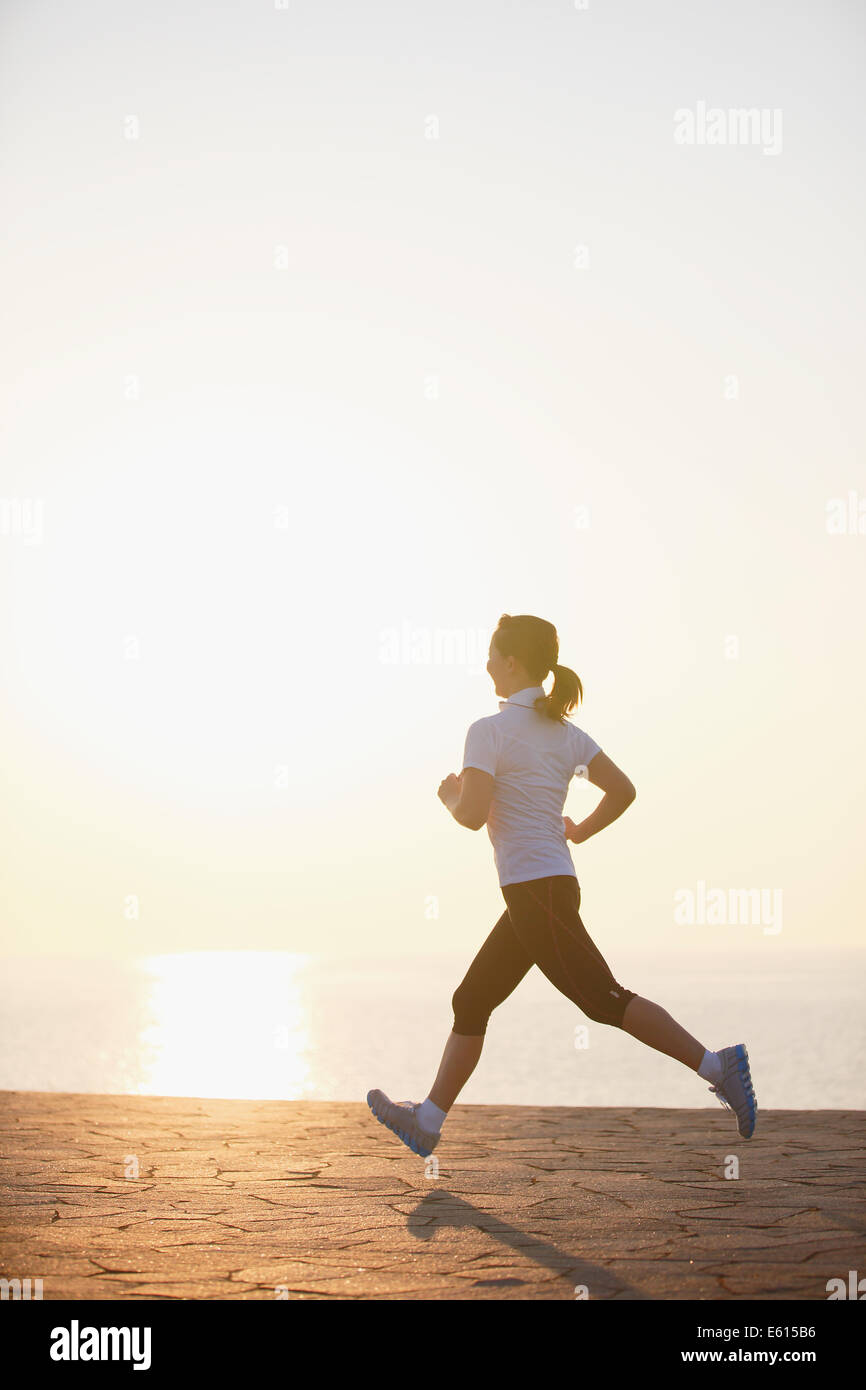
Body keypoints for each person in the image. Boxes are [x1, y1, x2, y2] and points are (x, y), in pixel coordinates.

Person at [367, 613, 756, 1158]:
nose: (484, 666)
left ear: (511, 662)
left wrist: (450, 796)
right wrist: (580, 831)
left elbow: (473, 816)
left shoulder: (489, 731)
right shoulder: (565, 733)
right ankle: (428, 1121)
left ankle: (720, 1067)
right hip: (544, 889)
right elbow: (623, 790)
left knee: (604, 1000)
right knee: (472, 998)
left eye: (490, 655)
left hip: (537, 894)